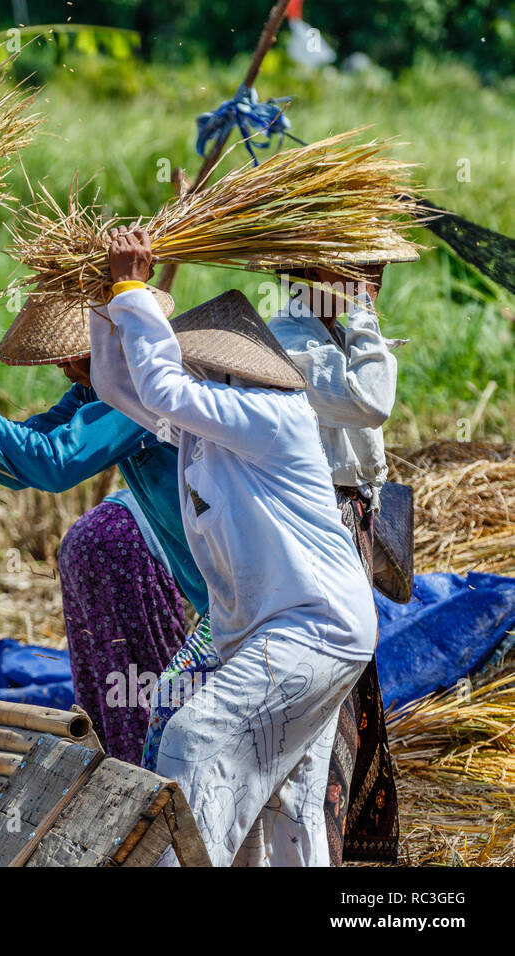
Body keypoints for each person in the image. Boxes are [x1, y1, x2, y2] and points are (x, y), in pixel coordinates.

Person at [90, 226, 377, 866]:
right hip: (283, 633)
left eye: (204, 366)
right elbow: (119, 390)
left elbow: (164, 389)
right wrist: (103, 297)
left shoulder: (274, 417)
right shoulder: (206, 432)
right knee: (286, 811)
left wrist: (134, 288)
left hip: (316, 628)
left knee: (196, 741)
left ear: (230, 368)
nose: (194, 375)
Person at [0, 290, 212, 766]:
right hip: (217, 599)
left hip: (238, 599)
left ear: (111, 340)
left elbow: (54, 464)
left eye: (75, 357)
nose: (66, 370)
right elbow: (25, 456)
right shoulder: (96, 387)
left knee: (180, 727)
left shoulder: (146, 387)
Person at [266, 249, 415, 864]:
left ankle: (350, 849)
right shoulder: (289, 340)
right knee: (327, 690)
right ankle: (311, 847)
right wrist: (364, 317)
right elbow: (369, 400)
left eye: (377, 268)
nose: (371, 281)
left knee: (352, 687)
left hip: (353, 521)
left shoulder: (335, 333)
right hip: (318, 529)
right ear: (312, 270)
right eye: (356, 268)